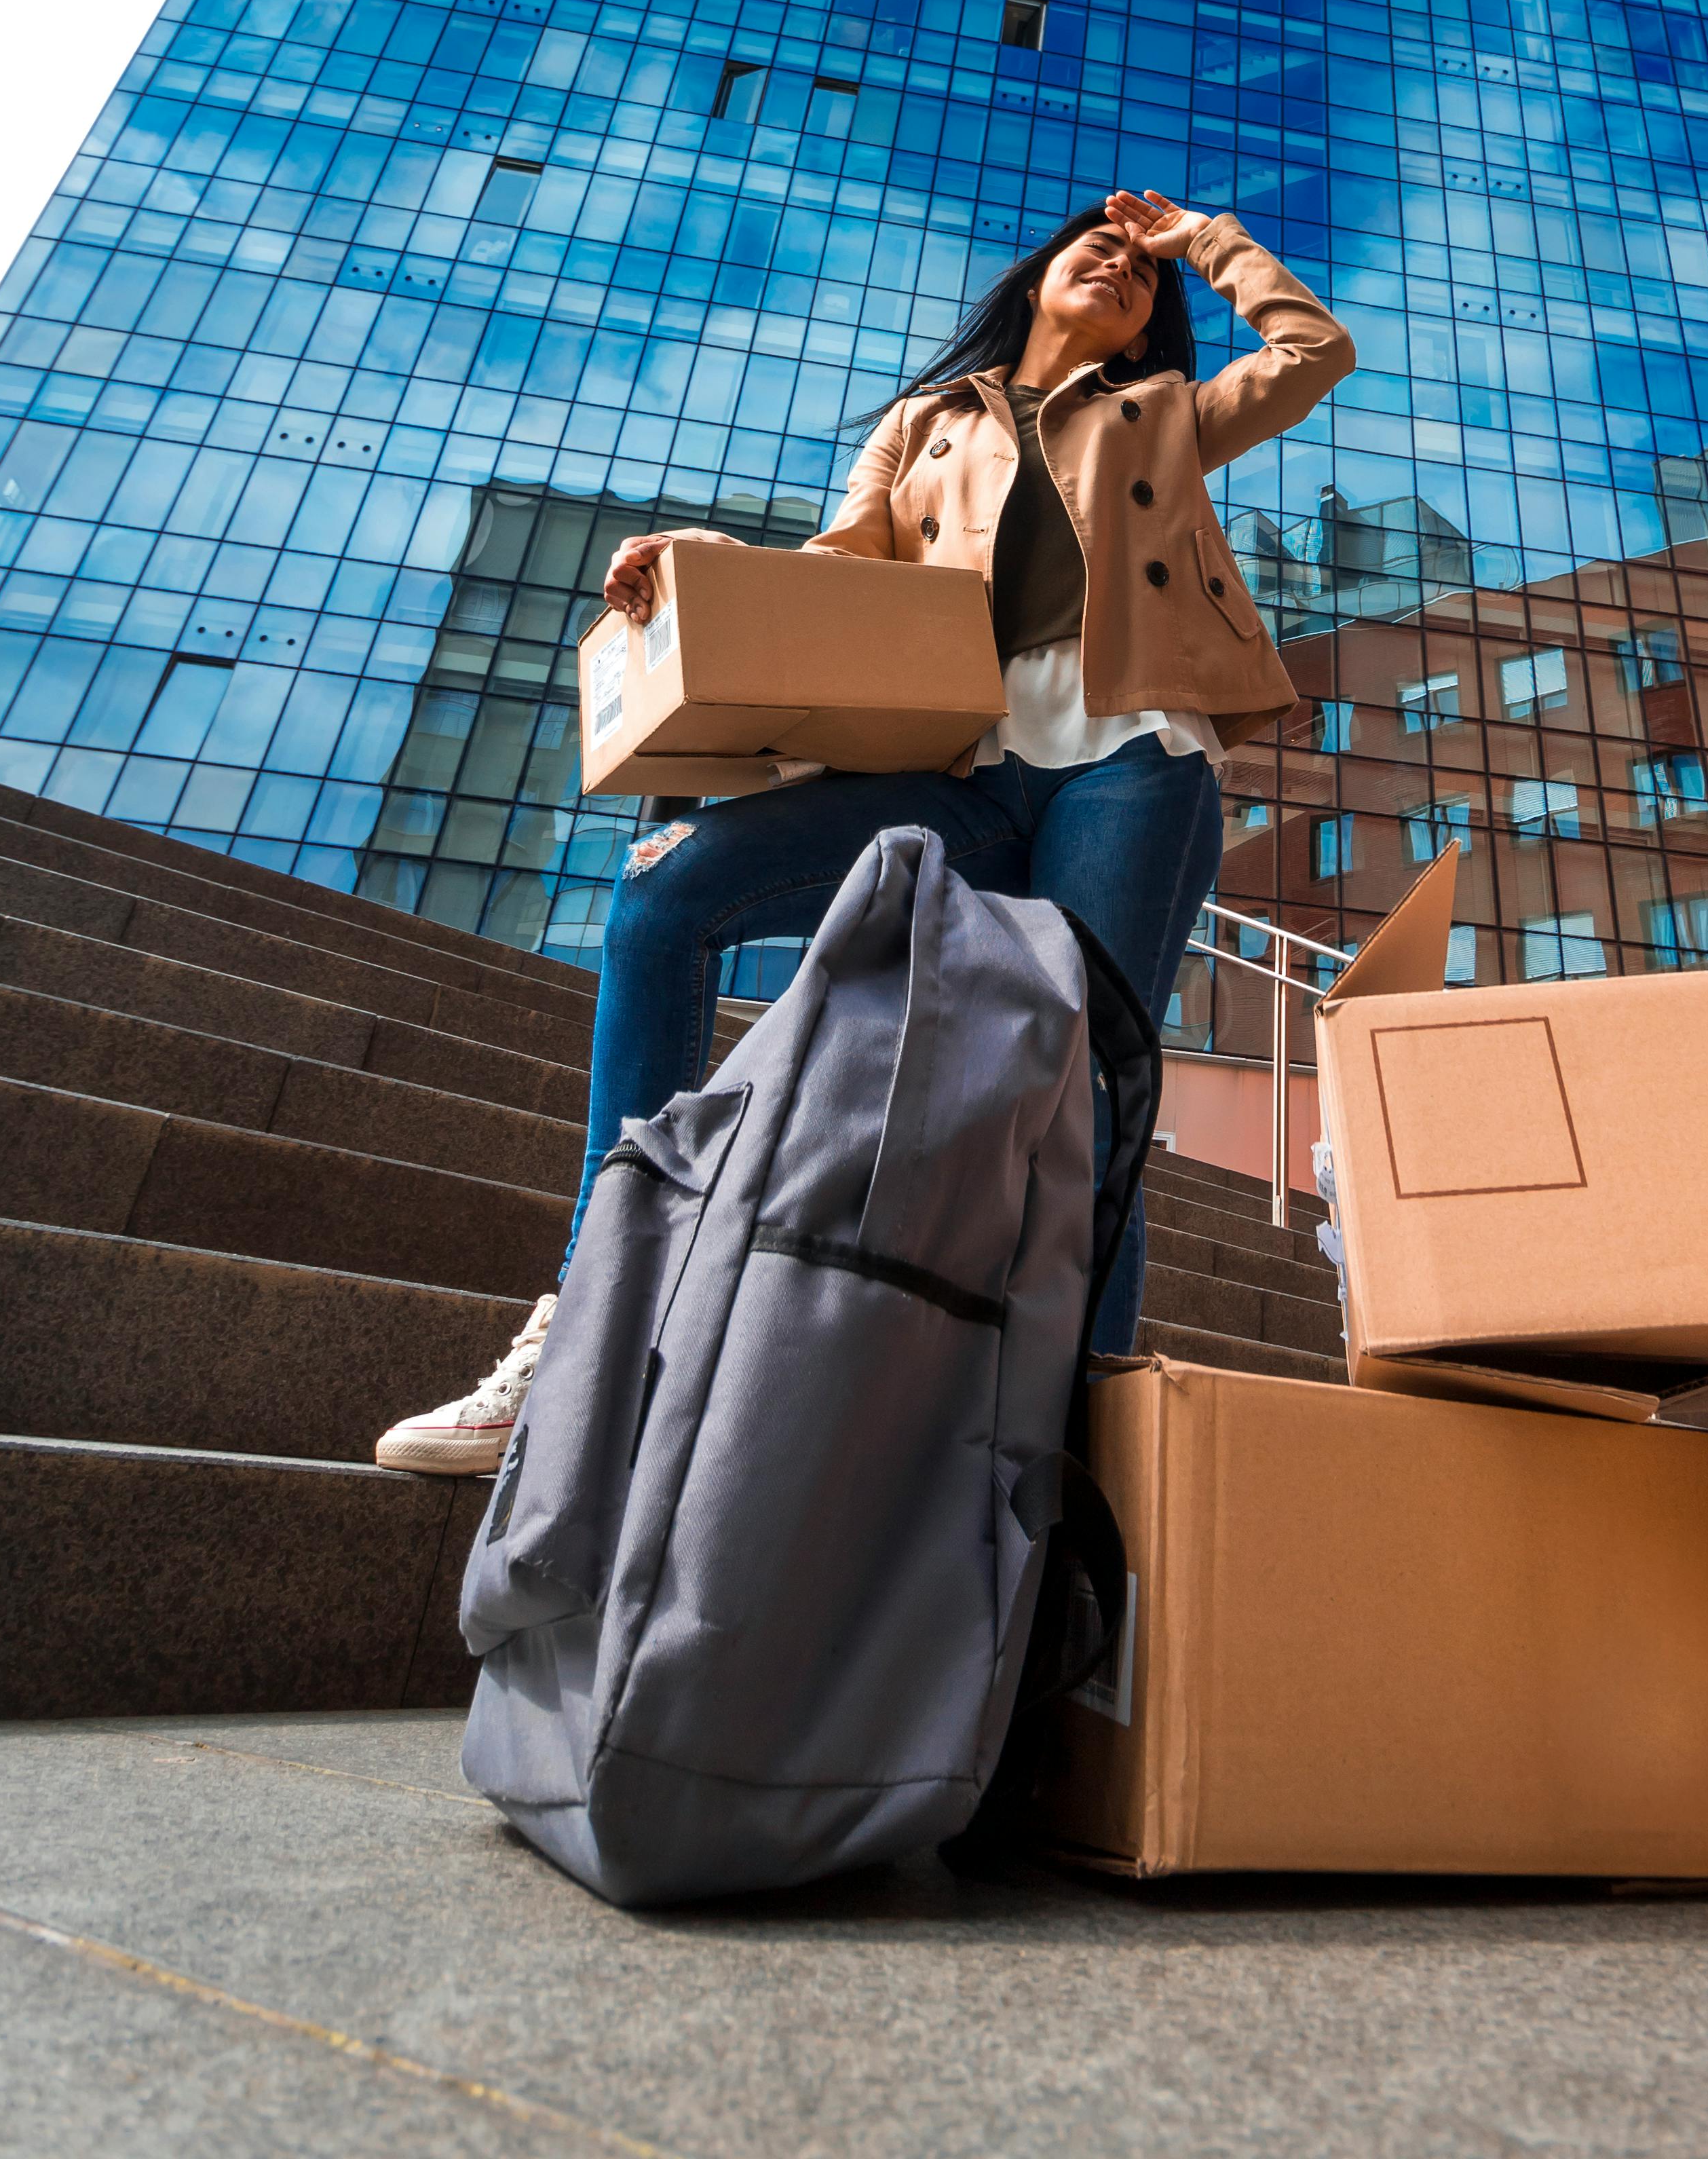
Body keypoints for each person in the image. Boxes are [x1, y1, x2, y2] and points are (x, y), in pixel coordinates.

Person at [375, 187, 1353, 1473]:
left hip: (1131, 764)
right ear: (1038, 274)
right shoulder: (922, 425)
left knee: (1081, 1093)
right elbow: (842, 571)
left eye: (1142, 271)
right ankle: (594, 1318)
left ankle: (1080, 1455)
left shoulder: (1157, 412)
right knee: (670, 893)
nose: (1123, 266)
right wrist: (709, 557)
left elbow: (1310, 353)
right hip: (963, 772)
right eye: (1098, 247)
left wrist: (1202, 241)